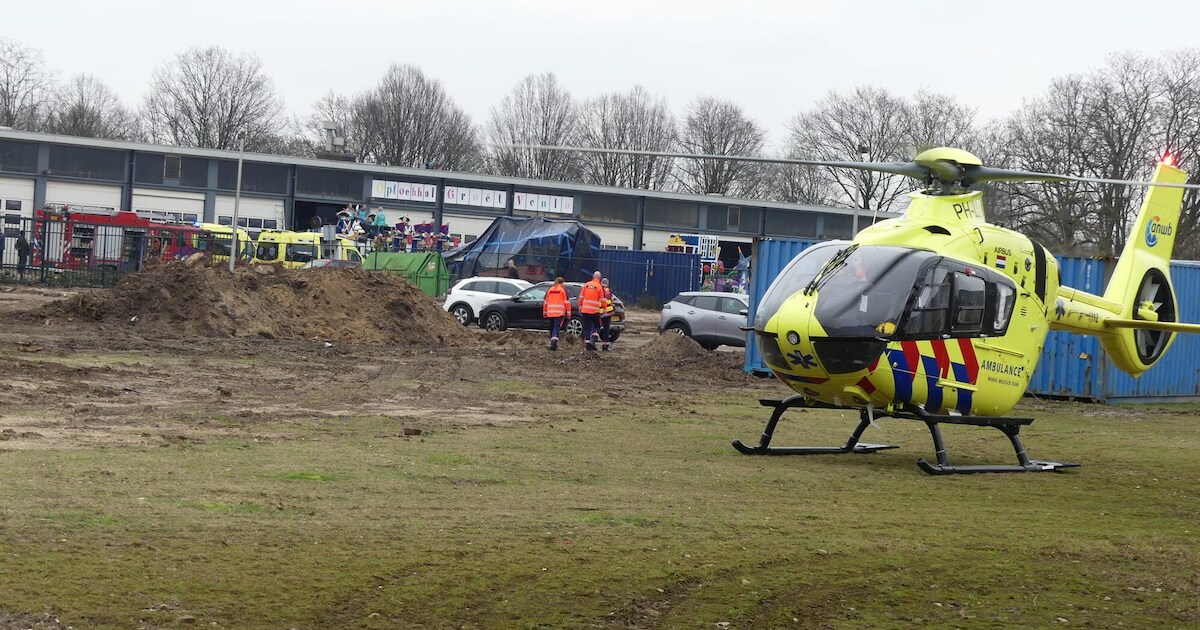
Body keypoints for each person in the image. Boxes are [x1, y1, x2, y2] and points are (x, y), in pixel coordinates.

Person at [578, 271, 605, 351]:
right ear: (599, 278)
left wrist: (580, 306)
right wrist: (604, 309)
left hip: (585, 310)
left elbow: (581, 297)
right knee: (597, 326)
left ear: (593, 277)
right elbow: (602, 300)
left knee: (587, 327)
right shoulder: (599, 287)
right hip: (594, 310)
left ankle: (587, 344)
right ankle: (593, 338)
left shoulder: (586, 285)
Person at [543, 276, 571, 351]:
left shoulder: (550, 290)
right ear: (562, 283)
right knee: (556, 327)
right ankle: (554, 341)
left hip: (550, 311)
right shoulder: (562, 290)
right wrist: (568, 312)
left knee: (551, 327)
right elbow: (566, 302)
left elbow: (546, 302)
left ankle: (552, 339)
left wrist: (544, 311)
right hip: (559, 312)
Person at [599, 277, 615, 351]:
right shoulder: (608, 291)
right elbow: (611, 300)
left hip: (599, 312)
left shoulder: (599, 290)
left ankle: (590, 342)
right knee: (606, 329)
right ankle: (605, 345)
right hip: (607, 312)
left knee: (597, 327)